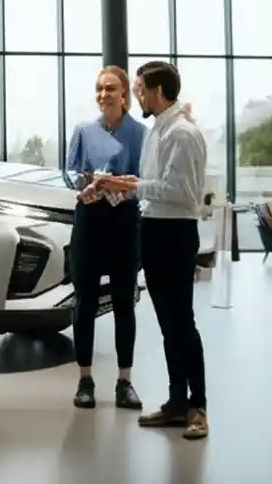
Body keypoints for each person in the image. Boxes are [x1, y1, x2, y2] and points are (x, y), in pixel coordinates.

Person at [96, 60, 210, 440]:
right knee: (167, 325)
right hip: (155, 230)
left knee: (182, 323)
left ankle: (198, 408)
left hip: (176, 234)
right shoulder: (158, 131)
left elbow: (183, 193)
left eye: (141, 89)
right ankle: (177, 403)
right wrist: (128, 183)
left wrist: (132, 187)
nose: (137, 95)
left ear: (157, 91)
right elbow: (155, 182)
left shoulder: (182, 133)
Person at [67, 66, 145, 411]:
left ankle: (124, 382)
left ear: (125, 93)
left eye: (110, 88)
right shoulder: (83, 130)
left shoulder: (140, 133)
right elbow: (68, 172)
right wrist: (84, 183)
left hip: (125, 223)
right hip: (89, 221)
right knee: (83, 303)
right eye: (99, 89)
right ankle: (85, 380)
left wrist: (122, 185)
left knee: (124, 303)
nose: (103, 95)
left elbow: (146, 179)